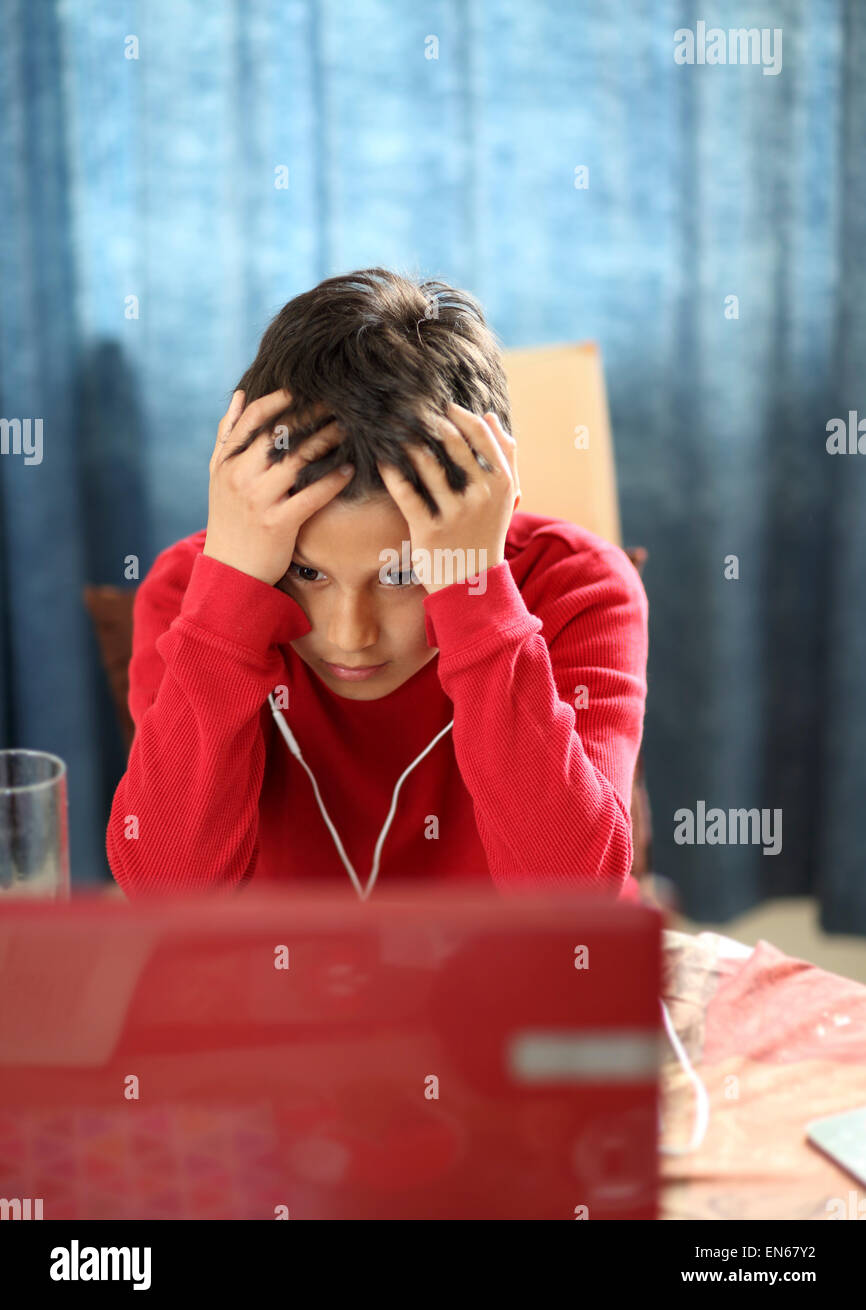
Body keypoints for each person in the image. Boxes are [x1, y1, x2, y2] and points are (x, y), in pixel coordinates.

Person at [106, 267, 648, 902]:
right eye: (307, 572)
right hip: (284, 988)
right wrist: (227, 599)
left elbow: (572, 903)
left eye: (403, 574)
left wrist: (474, 597)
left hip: (508, 989)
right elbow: (167, 895)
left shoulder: (579, 586)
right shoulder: (187, 591)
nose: (349, 636)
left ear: (488, 521)